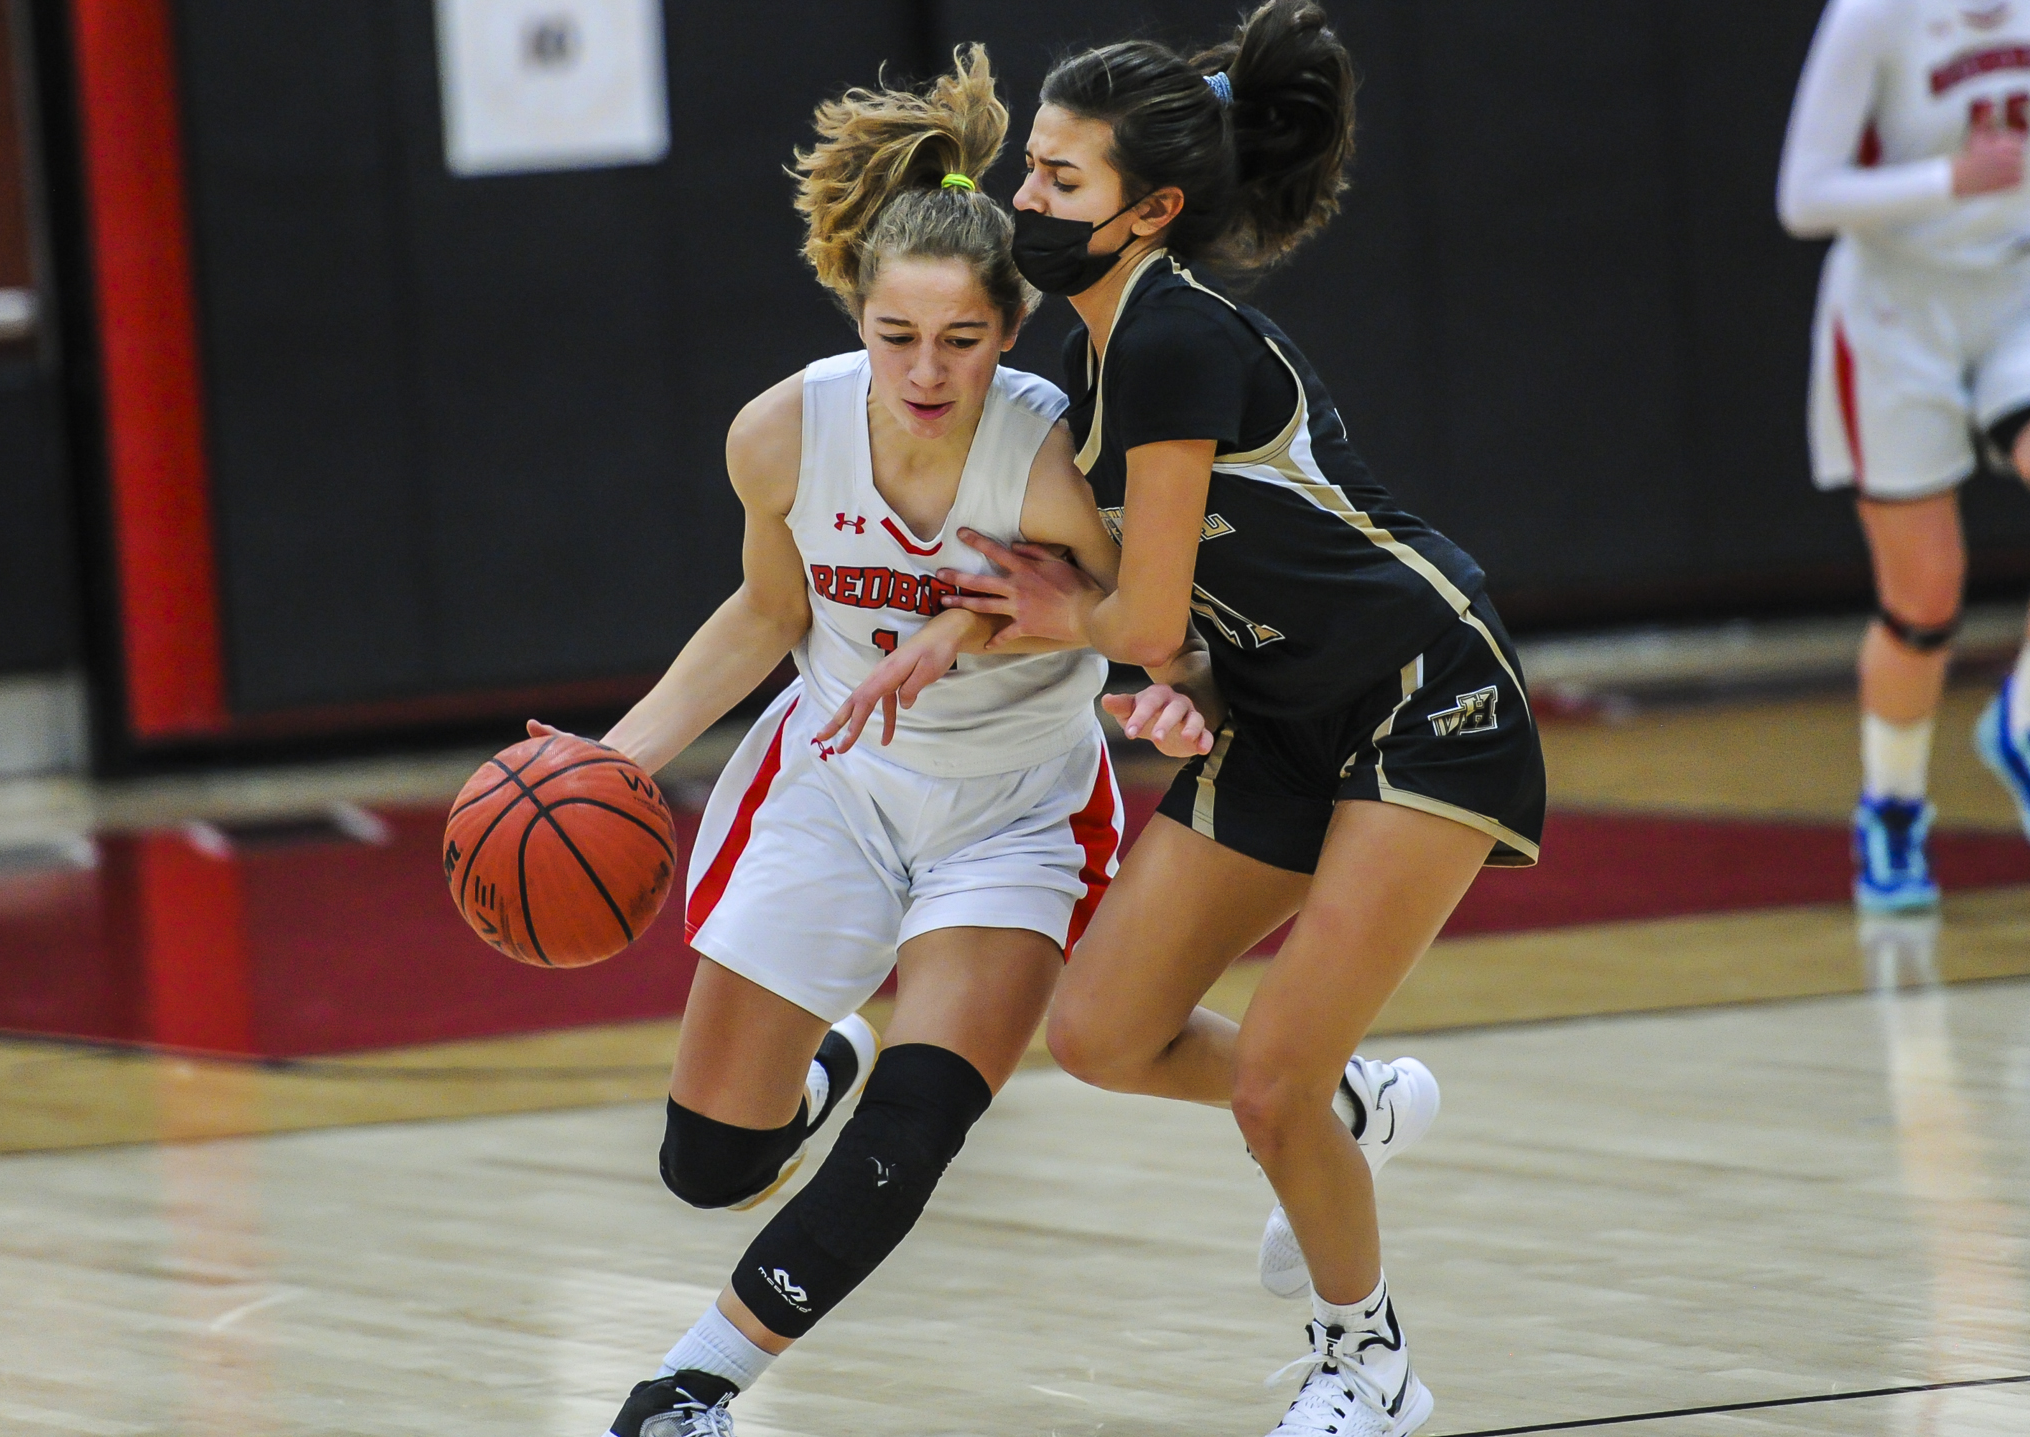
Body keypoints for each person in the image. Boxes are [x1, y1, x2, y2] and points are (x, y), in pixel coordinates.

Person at [854, 5, 1544, 1433]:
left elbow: (1137, 612)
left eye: (1060, 180)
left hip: (1423, 694)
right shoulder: (1095, 362)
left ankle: (1368, 1366)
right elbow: (1171, 630)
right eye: (1029, 167)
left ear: (1150, 210)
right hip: (1282, 715)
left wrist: (1085, 625)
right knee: (1102, 1033)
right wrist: (1179, 679)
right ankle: (1354, 1112)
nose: (1023, 199)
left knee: (1269, 1083)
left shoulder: (1171, 337)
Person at [549, 48, 1177, 1437]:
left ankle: (689, 1388)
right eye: (896, 337)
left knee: (917, 1123)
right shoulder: (781, 435)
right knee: (710, 1166)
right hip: (833, 782)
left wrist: (1012, 625)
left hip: (1013, 808)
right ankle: (827, 1051)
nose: (926, 370)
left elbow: (1147, 625)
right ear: (855, 315)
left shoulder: (1051, 459)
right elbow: (768, 612)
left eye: (961, 339)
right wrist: (614, 758)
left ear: (1010, 327)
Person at [1778, 0, 2030, 911]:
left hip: (2016, 287)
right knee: (1924, 600)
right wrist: (1948, 179)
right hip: (1894, 309)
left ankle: (2021, 721)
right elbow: (1802, 197)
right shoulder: (1874, 16)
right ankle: (1890, 806)